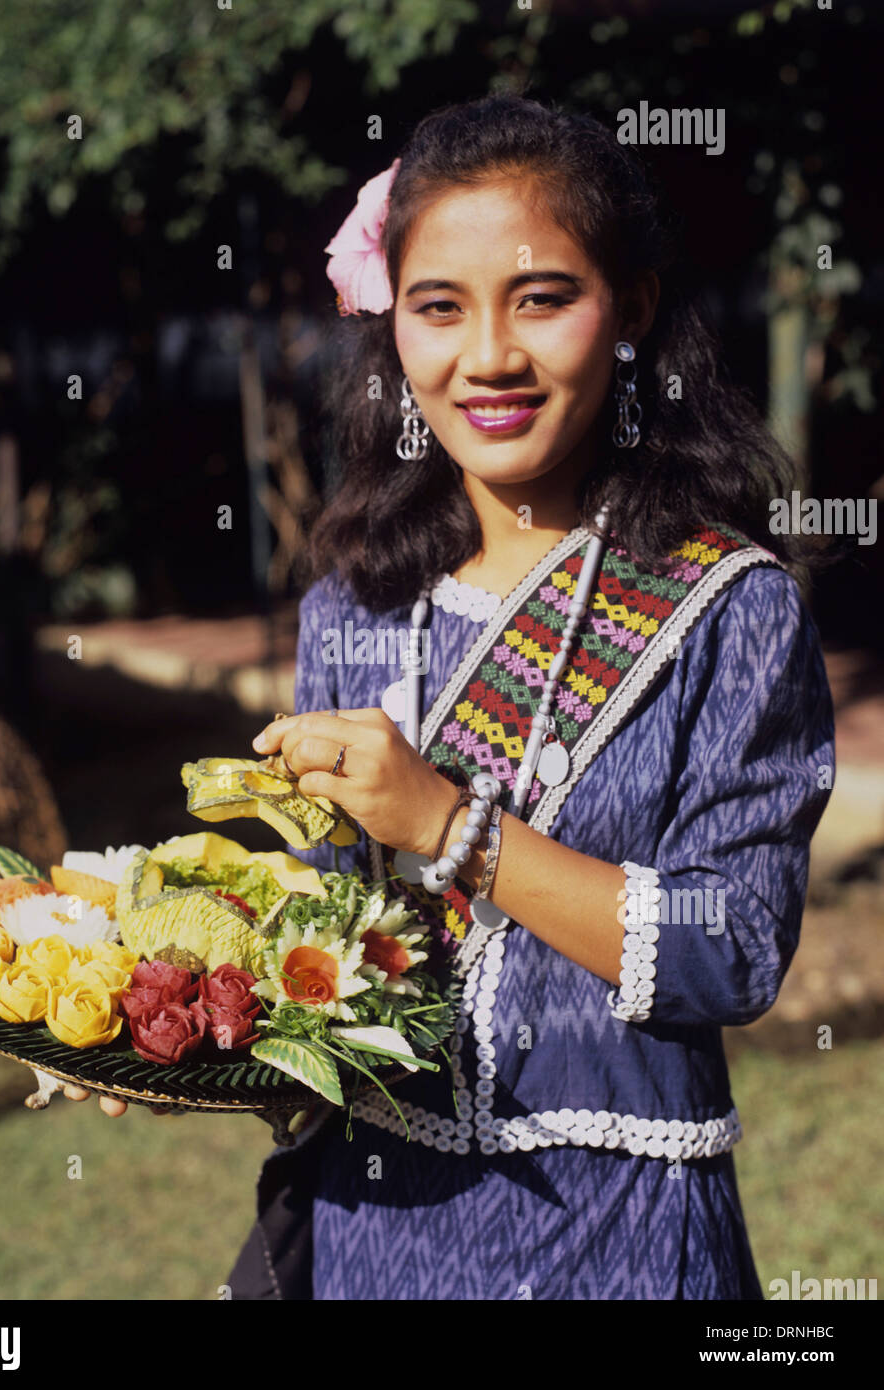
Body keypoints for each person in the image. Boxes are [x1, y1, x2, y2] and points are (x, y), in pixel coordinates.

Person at [75, 91, 838, 1301]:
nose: (488, 355)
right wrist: (168, 1037)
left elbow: (733, 954)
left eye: (542, 297)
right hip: (375, 1233)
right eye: (440, 306)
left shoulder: (726, 610)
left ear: (630, 308)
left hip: (622, 1239)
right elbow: (328, 967)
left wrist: (449, 828)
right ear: (395, 329)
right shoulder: (352, 611)